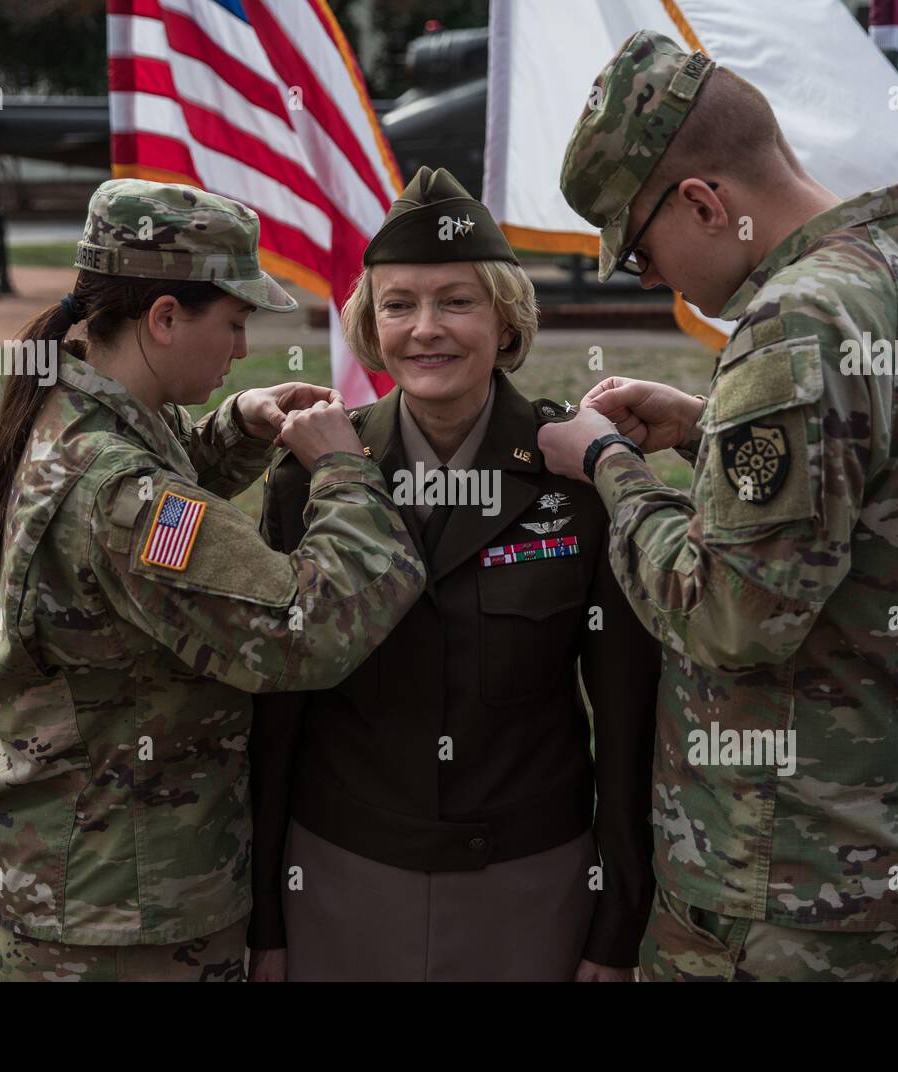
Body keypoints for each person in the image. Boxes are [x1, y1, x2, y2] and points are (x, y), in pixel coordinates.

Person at [537, 32, 898, 982]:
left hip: (786, 877)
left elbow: (730, 614)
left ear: (705, 202)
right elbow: (894, 482)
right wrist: (714, 425)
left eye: (640, 252)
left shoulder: (792, 323)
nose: (653, 277)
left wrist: (610, 465)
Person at [0, 179, 426, 982]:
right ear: (165, 319)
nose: (241, 348)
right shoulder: (120, 495)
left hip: (81, 882)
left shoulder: (70, 406)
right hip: (131, 917)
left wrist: (231, 429)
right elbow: (305, 633)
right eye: (235, 323)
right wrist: (345, 473)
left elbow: (148, 538)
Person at [247, 167, 659, 982]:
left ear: (506, 321)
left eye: (457, 301)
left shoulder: (576, 475)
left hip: (530, 888)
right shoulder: (311, 471)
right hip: (339, 880)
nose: (425, 329)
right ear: (371, 323)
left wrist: (616, 926)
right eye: (399, 304)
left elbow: (626, 720)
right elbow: (275, 714)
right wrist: (266, 912)